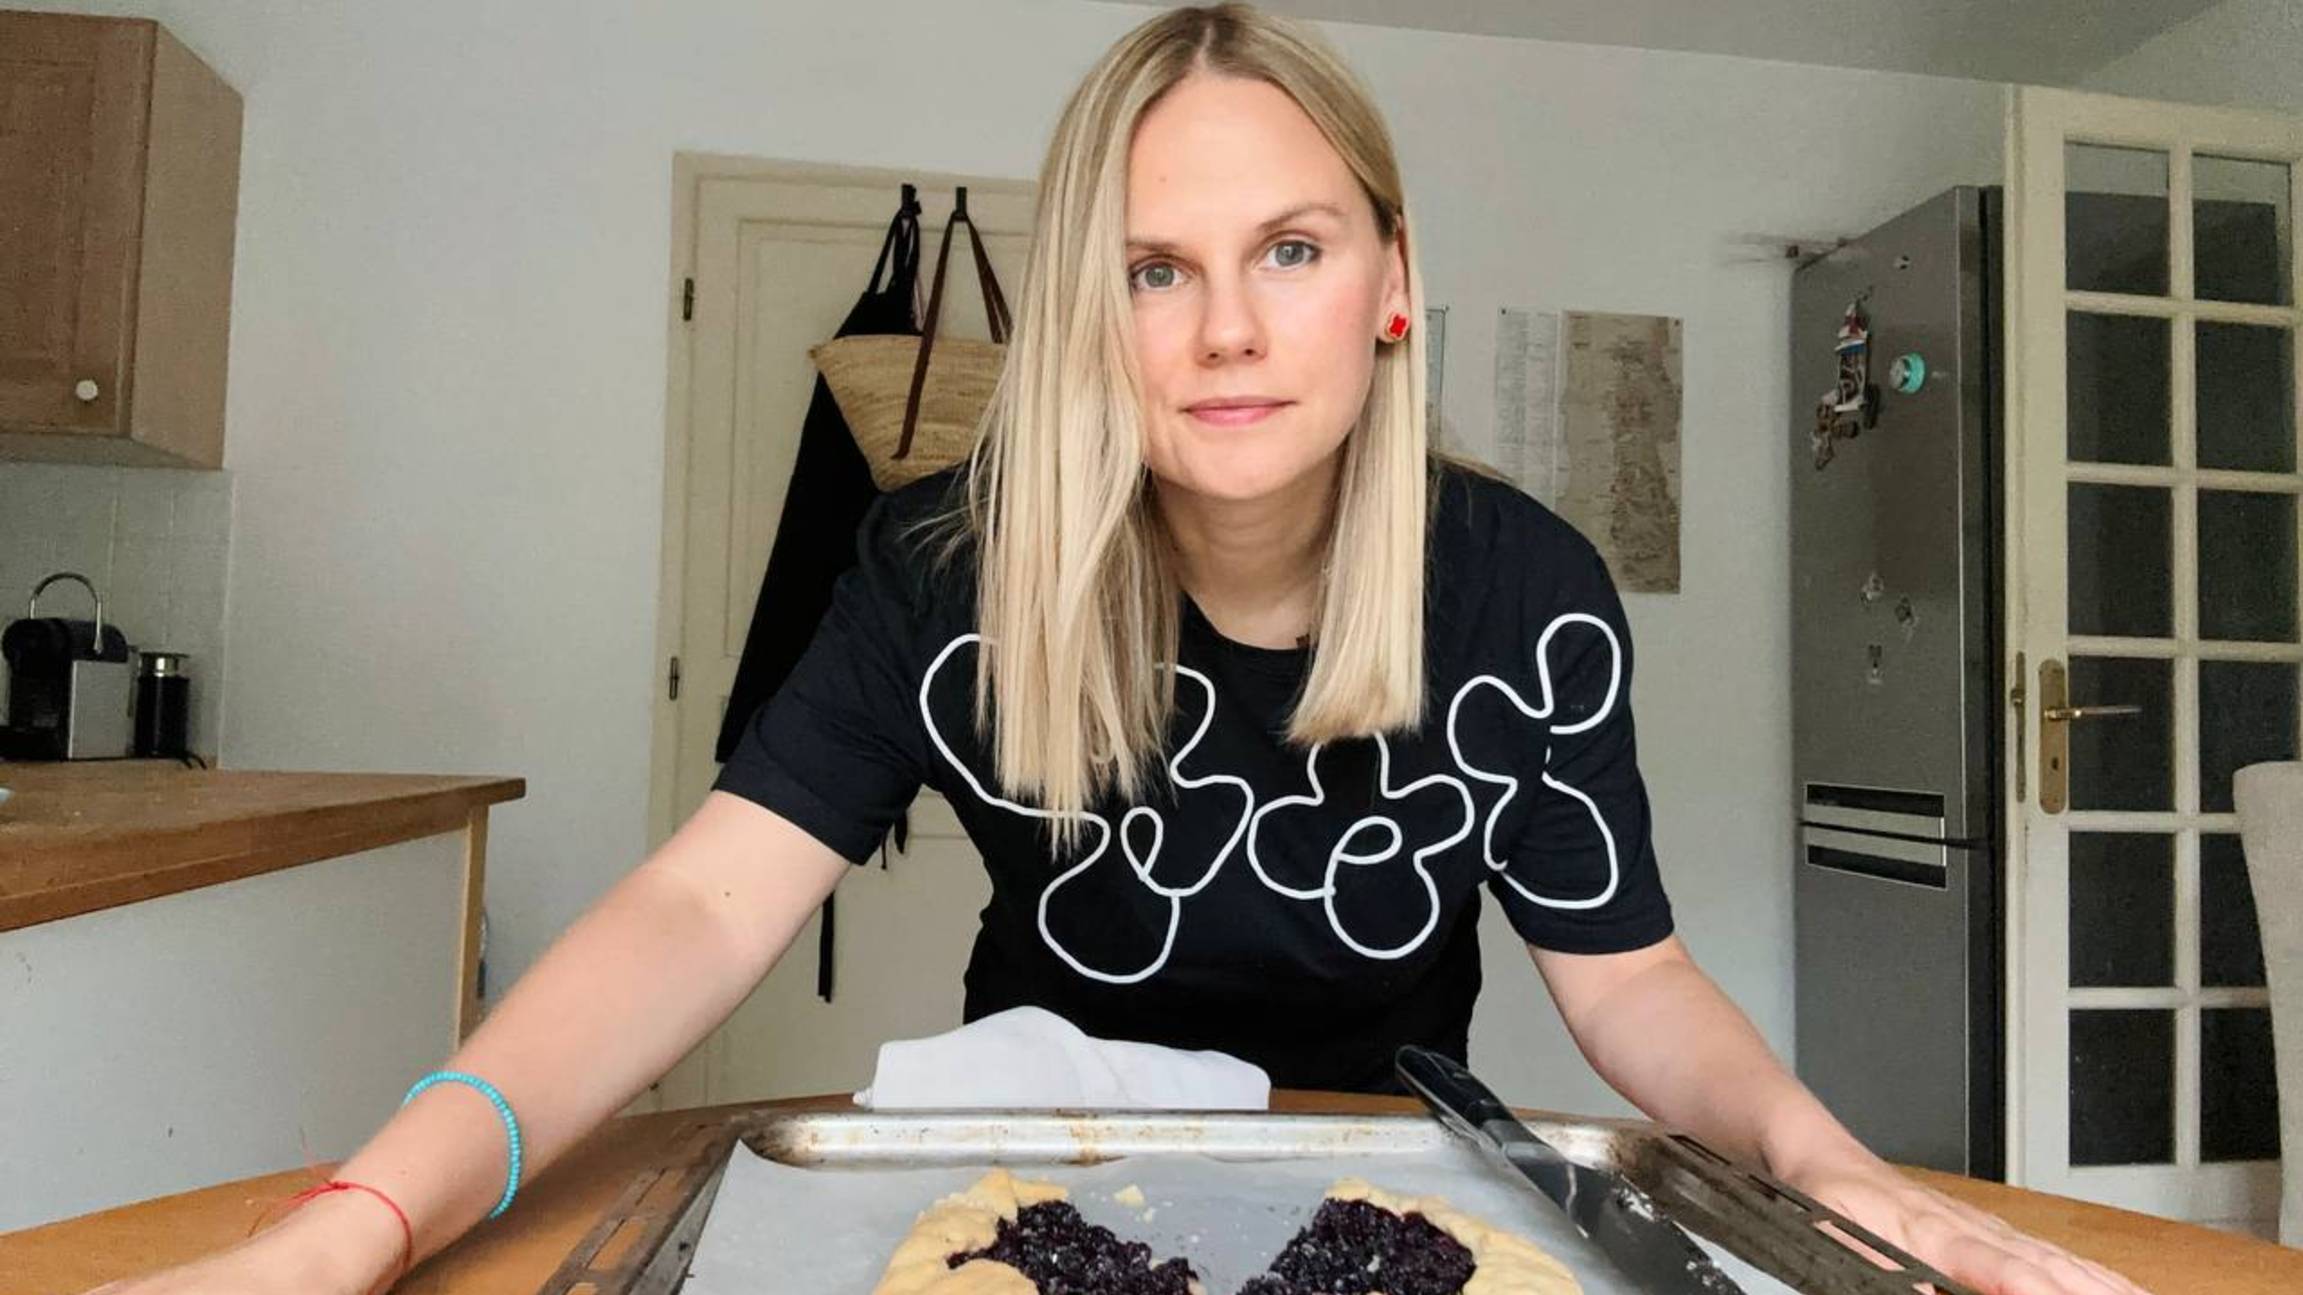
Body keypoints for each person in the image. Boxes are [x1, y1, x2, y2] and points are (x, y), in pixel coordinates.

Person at [94, 6, 2149, 1294]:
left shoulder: (1521, 592)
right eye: (1155, 269)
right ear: (1091, 305)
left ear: (1393, 280)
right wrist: (359, 1219)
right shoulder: (947, 563)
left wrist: (1829, 1173)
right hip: (1028, 1181)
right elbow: (701, 909)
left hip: (1393, 1192)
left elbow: (1633, 987)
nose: (1226, 330)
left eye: (1291, 250)